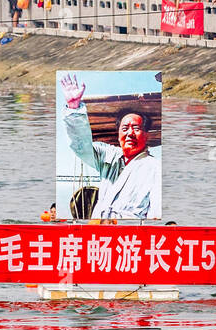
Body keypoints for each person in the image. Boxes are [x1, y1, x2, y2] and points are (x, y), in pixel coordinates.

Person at [60, 73, 161, 220]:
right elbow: (81, 146)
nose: (130, 133)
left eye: (137, 128)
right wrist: (74, 108)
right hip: (98, 232)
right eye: (125, 129)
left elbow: (156, 213)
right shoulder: (108, 157)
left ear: (146, 135)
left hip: (128, 237)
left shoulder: (155, 168)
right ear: (118, 134)